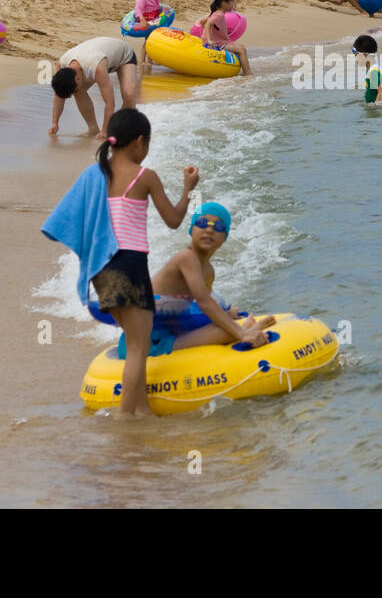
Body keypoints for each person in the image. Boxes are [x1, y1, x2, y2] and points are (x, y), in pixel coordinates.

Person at [41, 108, 199, 416]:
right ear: (140, 142)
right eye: (147, 143)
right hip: (129, 264)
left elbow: (71, 216)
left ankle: (143, 411)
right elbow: (173, 221)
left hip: (102, 269)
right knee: (138, 348)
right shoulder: (145, 176)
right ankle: (126, 422)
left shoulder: (94, 175)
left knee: (134, 339)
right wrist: (187, 190)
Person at [149, 203, 272, 355]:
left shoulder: (208, 270)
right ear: (191, 230)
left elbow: (205, 305)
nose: (209, 229)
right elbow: (204, 303)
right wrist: (241, 334)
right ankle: (247, 330)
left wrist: (226, 313)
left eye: (218, 226)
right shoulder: (186, 258)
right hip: (151, 339)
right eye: (202, 223)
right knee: (227, 331)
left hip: (174, 328)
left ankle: (243, 328)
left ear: (225, 236)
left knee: (225, 320)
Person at [50, 37, 141, 137]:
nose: (73, 93)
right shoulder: (61, 65)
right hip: (101, 57)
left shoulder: (96, 67)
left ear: (78, 78)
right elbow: (58, 95)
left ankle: (121, 129)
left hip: (124, 56)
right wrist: (55, 123)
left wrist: (105, 130)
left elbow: (110, 103)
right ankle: (93, 129)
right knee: (79, 92)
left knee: (129, 94)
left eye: (74, 90)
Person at [202, 0, 252, 75]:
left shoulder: (217, 13)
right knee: (242, 49)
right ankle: (248, 74)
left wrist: (206, 36)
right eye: (232, 2)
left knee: (237, 47)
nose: (233, 5)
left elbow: (203, 21)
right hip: (216, 43)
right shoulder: (219, 14)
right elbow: (207, 24)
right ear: (224, 3)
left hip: (218, 40)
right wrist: (209, 40)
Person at [353, 33, 382, 105]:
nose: (355, 59)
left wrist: (375, 108)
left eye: (356, 55)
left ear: (364, 55)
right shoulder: (371, 69)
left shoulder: (374, 70)